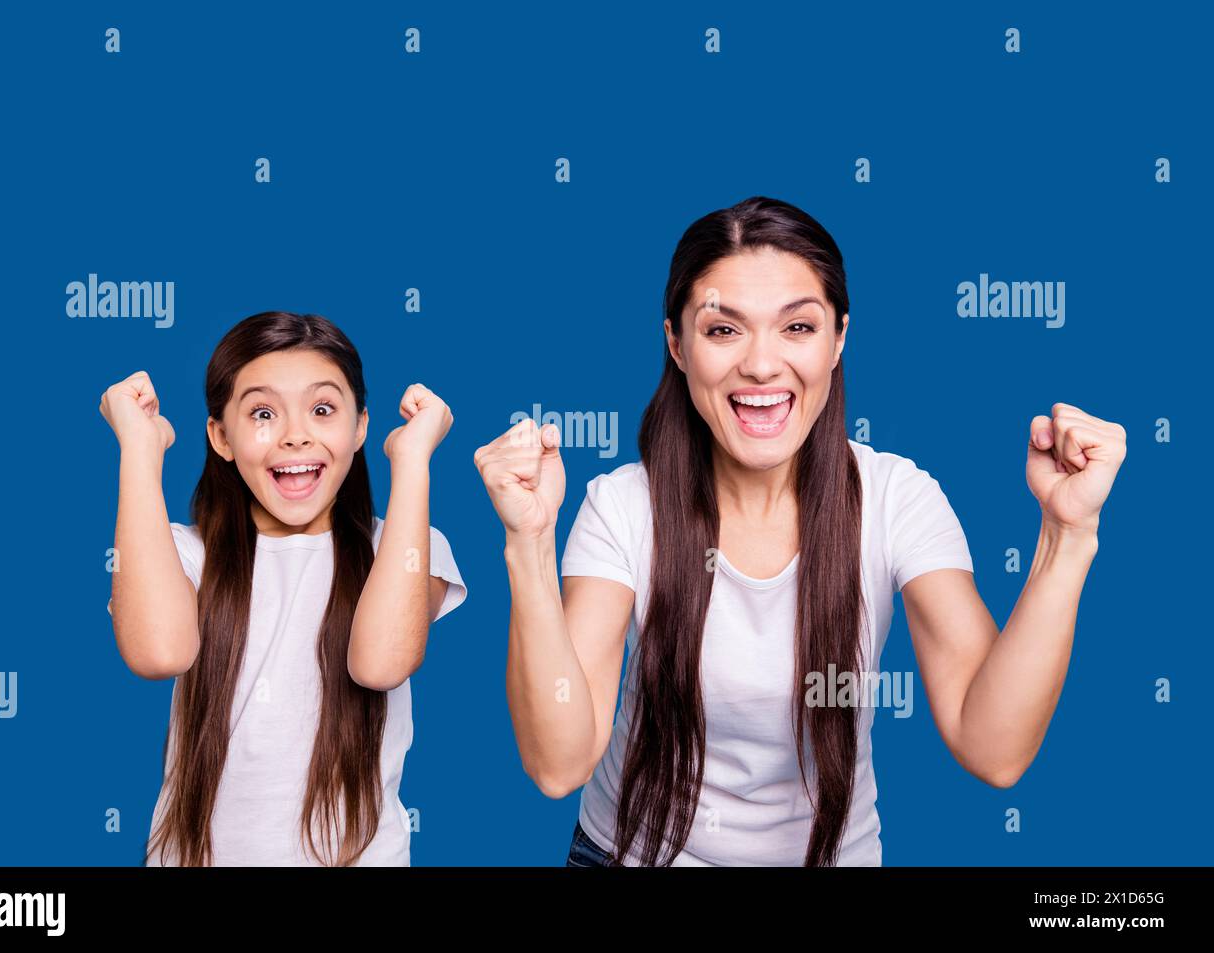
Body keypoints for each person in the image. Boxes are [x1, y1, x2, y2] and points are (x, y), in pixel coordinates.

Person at [473, 196, 1125, 866]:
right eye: (723, 330)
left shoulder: (897, 499)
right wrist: (527, 543)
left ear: (839, 337)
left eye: (798, 328)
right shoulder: (621, 505)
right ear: (676, 344)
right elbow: (558, 765)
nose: (760, 365)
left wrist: (1067, 535)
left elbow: (995, 749)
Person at [100, 310, 466, 866]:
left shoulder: (404, 550)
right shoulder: (182, 552)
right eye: (263, 413)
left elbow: (382, 664)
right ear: (221, 437)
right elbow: (156, 653)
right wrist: (138, 450)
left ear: (361, 427)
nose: (296, 434)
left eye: (323, 409)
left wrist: (413, 460)